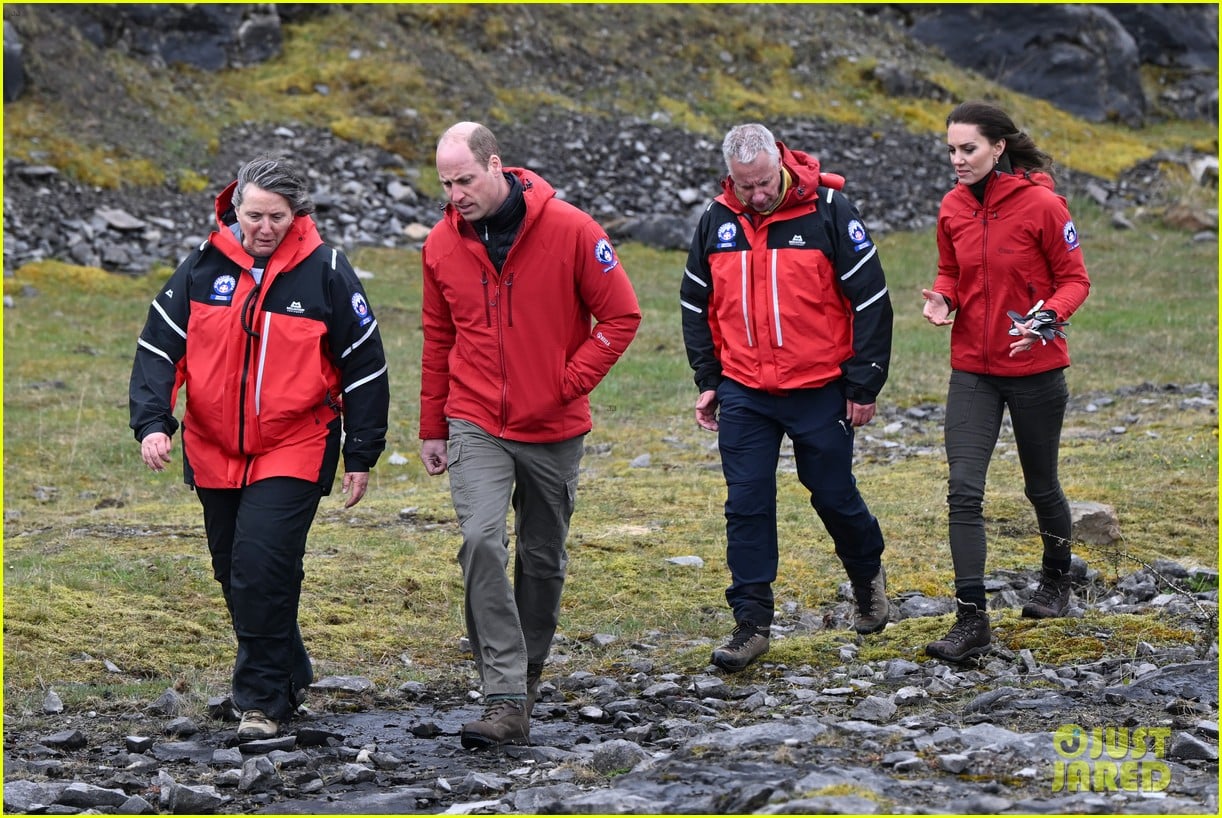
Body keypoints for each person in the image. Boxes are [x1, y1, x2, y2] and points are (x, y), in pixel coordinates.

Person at [129, 156, 390, 740]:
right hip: (213, 446)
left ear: (297, 213)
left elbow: (364, 366)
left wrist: (362, 453)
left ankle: (262, 703)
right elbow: (158, 349)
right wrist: (152, 423)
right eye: (253, 215)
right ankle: (290, 668)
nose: (264, 227)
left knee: (260, 567)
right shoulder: (201, 266)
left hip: (297, 443)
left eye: (277, 216)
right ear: (234, 208)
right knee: (233, 570)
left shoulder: (326, 271)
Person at [419, 122, 641, 748]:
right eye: (445, 183)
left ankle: (529, 671)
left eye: (464, 179)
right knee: (481, 541)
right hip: (475, 420)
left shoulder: (571, 228)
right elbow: (439, 340)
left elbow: (621, 315)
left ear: (496, 165)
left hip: (553, 424)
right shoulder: (440, 246)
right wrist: (432, 425)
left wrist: (570, 380)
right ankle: (505, 695)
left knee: (541, 557)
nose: (455, 193)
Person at [680, 123, 894, 673]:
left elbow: (871, 298)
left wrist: (863, 382)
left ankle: (866, 573)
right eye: (744, 185)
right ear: (730, 176)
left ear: (780, 160)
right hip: (745, 391)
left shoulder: (829, 210)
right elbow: (693, 305)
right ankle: (751, 623)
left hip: (820, 387)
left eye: (764, 182)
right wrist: (709, 380)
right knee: (746, 502)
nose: (756, 195)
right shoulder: (715, 220)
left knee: (832, 494)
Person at [921, 101, 1091, 663]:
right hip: (973, 368)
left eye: (967, 148)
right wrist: (944, 297)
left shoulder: (1042, 205)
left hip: (1037, 370)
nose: (958, 159)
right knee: (963, 489)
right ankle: (971, 620)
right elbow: (952, 270)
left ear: (998, 147)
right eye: (951, 150)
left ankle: (1056, 582)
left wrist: (1045, 320)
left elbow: (1074, 280)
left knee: (1041, 486)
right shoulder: (951, 206)